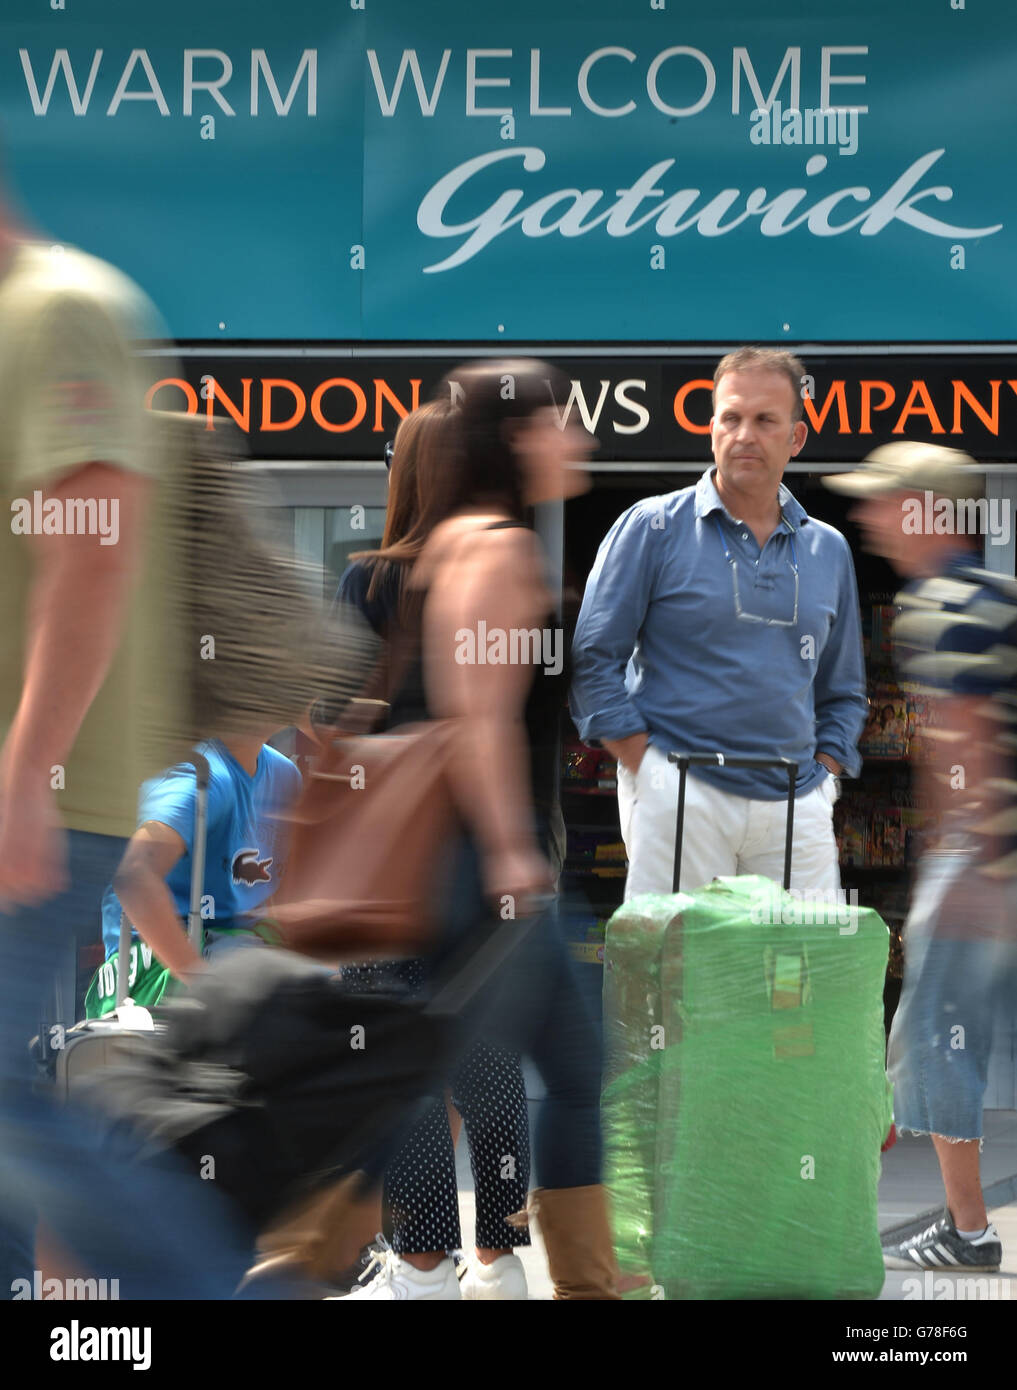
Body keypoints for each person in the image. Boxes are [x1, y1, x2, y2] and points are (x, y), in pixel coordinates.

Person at [0, 210, 264, 1296]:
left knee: (15, 1119)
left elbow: (94, 552)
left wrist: (26, 781)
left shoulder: (60, 311)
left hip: (40, 797)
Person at [340, 359, 618, 1300]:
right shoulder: (496, 548)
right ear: (515, 439)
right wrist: (510, 855)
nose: (575, 440)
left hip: (457, 869)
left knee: (548, 1071)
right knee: (498, 1074)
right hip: (477, 869)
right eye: (559, 422)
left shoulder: (459, 544)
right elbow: (477, 717)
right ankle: (352, 1264)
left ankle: (493, 1270)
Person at [335, 402, 536, 1300]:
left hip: (388, 861)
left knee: (400, 1060)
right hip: (483, 850)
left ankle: (420, 1263)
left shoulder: (370, 583)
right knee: (490, 1058)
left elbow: (332, 721)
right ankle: (500, 1258)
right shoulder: (504, 563)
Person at [570, 346, 869, 900]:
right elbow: (593, 660)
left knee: (800, 981)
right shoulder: (652, 527)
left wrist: (822, 782)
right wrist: (650, 772)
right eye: (730, 417)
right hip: (680, 791)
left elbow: (844, 690)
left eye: (764, 420)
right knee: (675, 979)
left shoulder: (828, 549)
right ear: (711, 429)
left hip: (794, 800)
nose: (744, 434)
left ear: (795, 439)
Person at [826, 442, 1017, 1273]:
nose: (867, 519)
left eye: (881, 502)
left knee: (931, 1036)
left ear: (923, 511)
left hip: (981, 856)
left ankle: (968, 1231)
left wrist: (966, 859)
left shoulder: (936, 604)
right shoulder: (1002, 594)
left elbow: (963, 739)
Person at [85, 728, 302, 1017]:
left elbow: (280, 903)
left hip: (238, 947)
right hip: (157, 963)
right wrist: (207, 988)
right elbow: (135, 878)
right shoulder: (201, 775)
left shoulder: (286, 775)